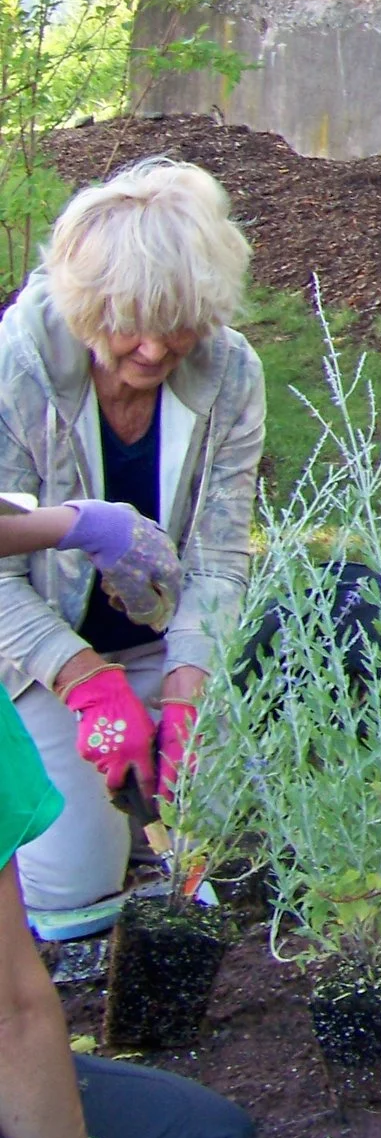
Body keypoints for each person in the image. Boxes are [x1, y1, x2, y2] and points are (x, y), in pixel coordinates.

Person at [0, 160, 263, 961]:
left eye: (177, 323)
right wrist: (83, 679)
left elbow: (220, 554)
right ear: (88, 303)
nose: (154, 347)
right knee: (73, 895)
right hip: (32, 655)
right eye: (130, 323)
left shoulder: (231, 371)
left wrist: (190, 680)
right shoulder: (16, 367)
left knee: (207, 836)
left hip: (159, 640)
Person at [0, 683, 256, 1138]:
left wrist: (188, 680)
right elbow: (9, 1013)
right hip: (42, 674)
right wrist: (82, 679)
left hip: (148, 656)